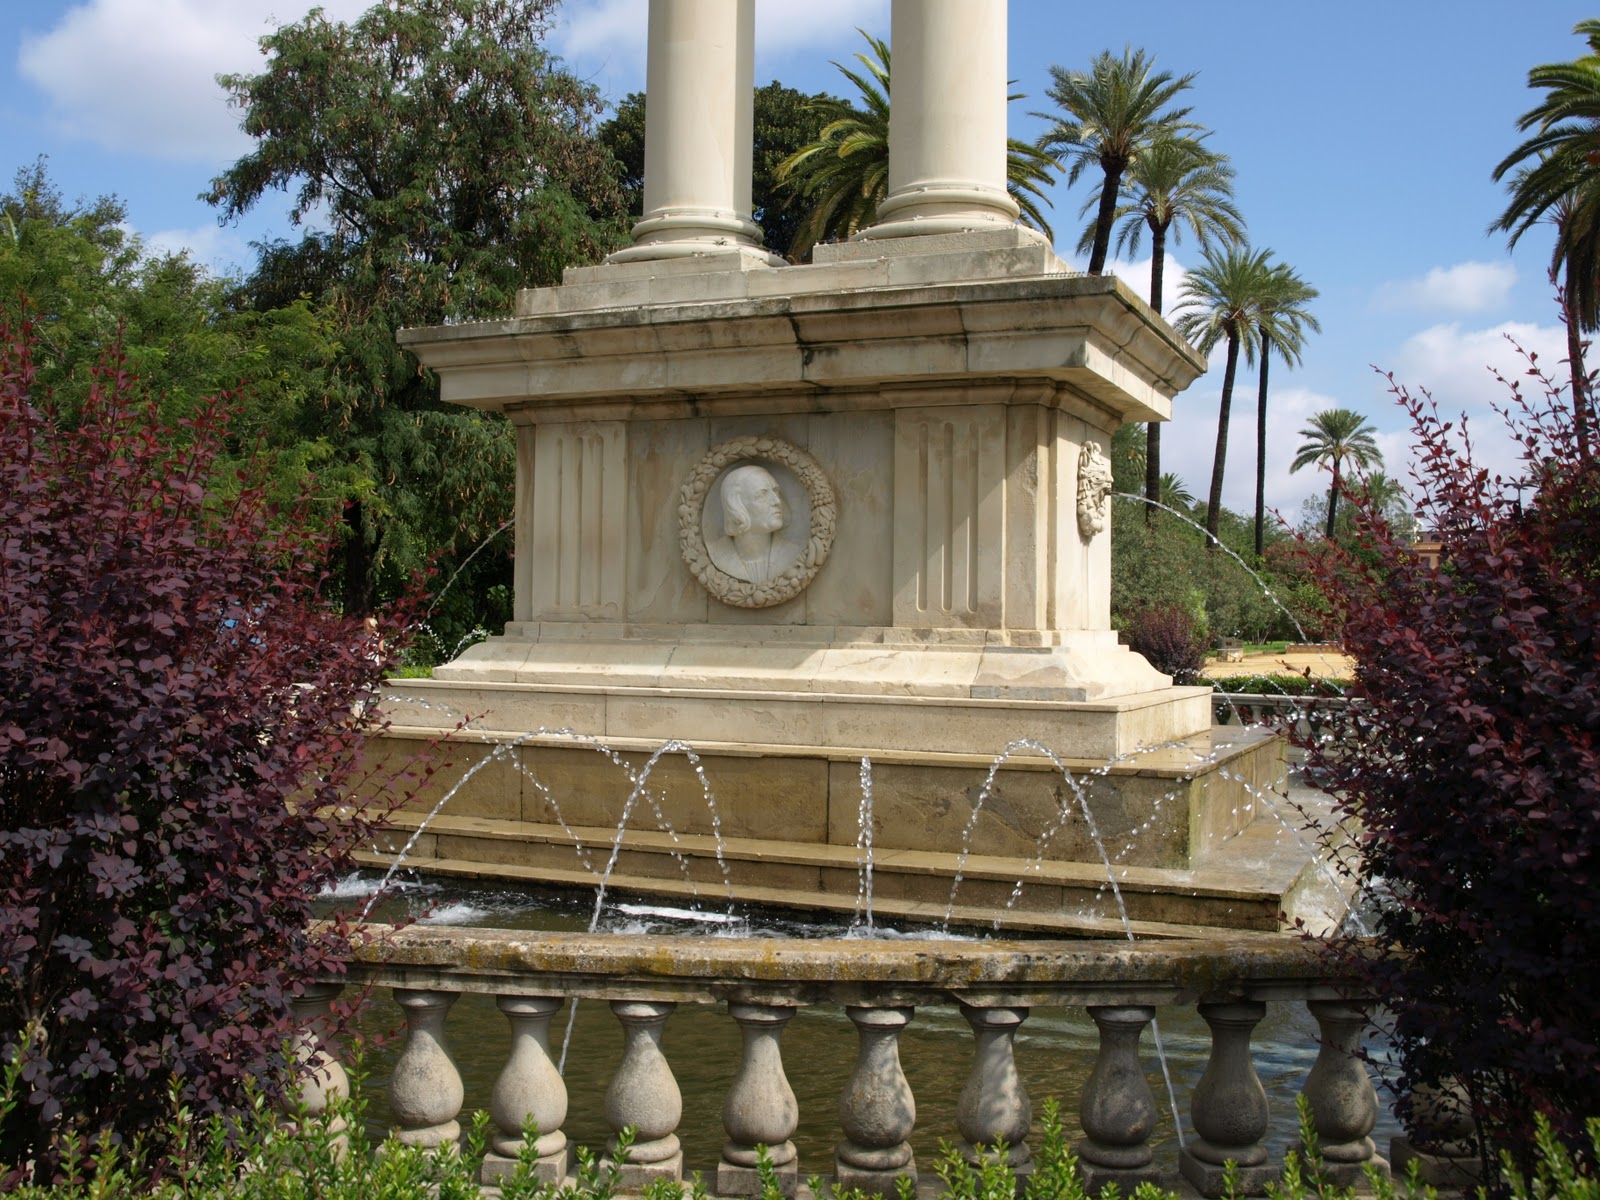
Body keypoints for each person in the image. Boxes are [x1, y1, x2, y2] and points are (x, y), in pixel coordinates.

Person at [708, 464, 787, 584]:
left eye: (776, 491)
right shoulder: (715, 555)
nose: (777, 501)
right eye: (762, 495)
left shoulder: (793, 554)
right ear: (735, 506)